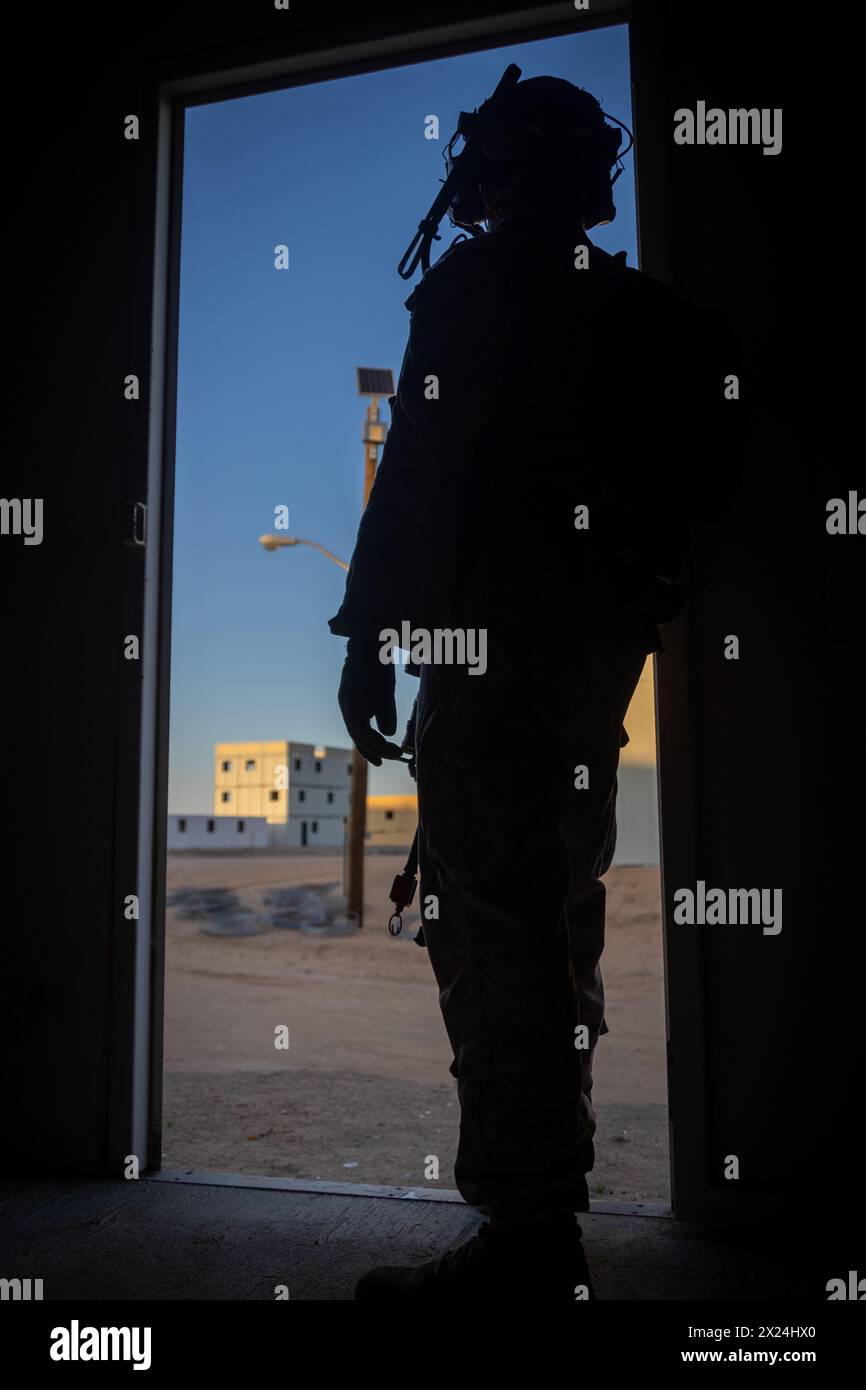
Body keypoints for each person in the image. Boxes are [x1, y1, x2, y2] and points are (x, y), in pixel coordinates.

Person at [329, 75, 737, 1300]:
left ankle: (527, 1239)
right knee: (555, 916)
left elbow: (419, 477)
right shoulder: (644, 316)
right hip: (588, 669)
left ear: (497, 175)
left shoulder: (473, 291)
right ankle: (542, 1211)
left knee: (492, 925)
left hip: (486, 659)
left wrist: (366, 638)